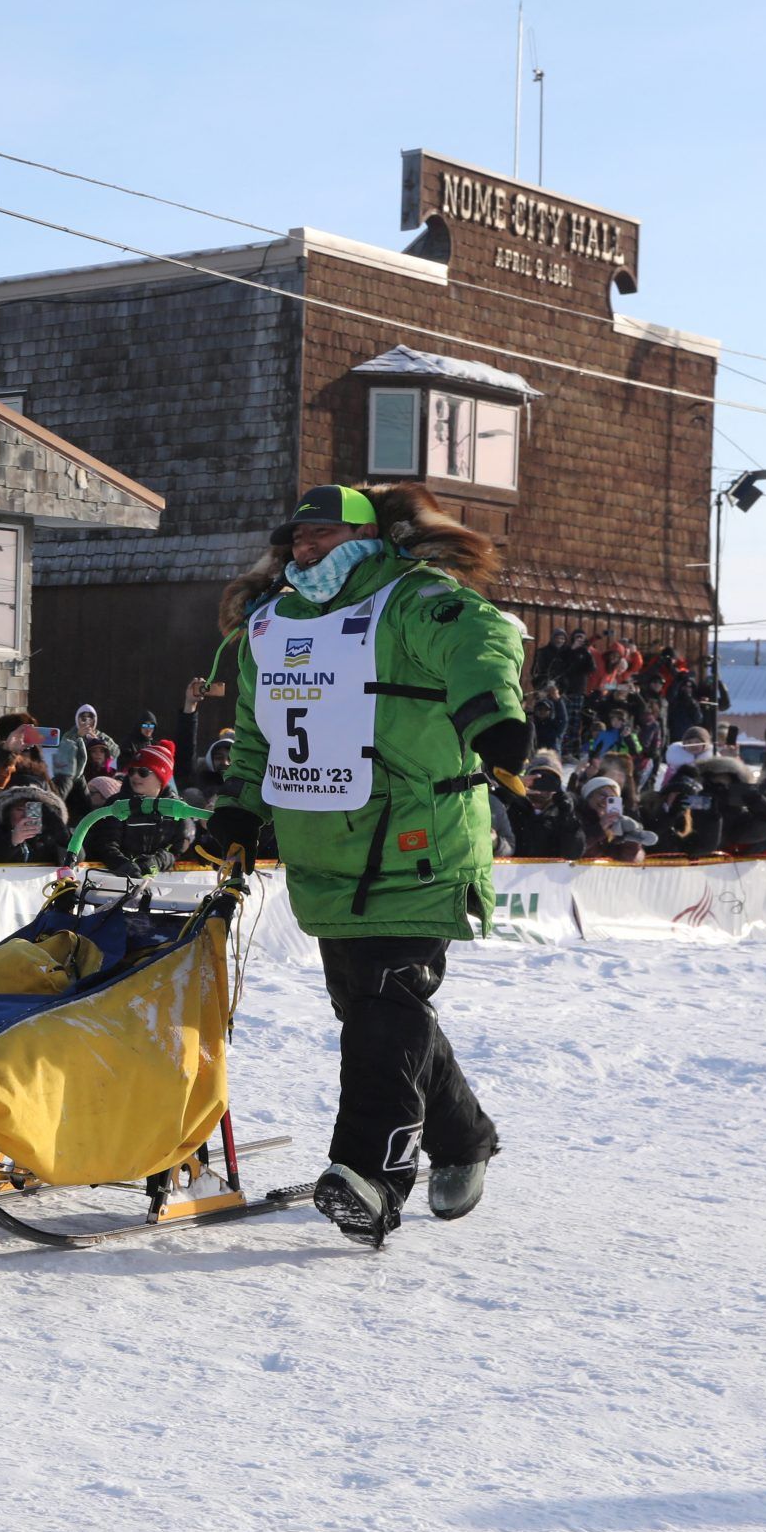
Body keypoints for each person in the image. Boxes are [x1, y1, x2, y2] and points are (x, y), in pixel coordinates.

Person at [200, 482, 523, 1247]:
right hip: (325, 853)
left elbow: (483, 640)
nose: (305, 550)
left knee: (385, 1005)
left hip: (417, 842)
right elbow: (256, 733)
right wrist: (240, 809)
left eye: (322, 537)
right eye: (297, 539)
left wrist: (492, 719)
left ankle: (371, 1177)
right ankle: (466, 1133)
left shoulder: (410, 598)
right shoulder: (270, 623)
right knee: (380, 1009)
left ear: (367, 536)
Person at [76, 738, 194, 876]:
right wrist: (125, 866)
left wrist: (158, 861)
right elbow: (105, 844)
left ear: (161, 776)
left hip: (160, 885)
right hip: (115, 883)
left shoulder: (176, 808)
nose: (135, 777)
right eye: (132, 771)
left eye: (143, 772)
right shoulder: (117, 804)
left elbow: (178, 849)